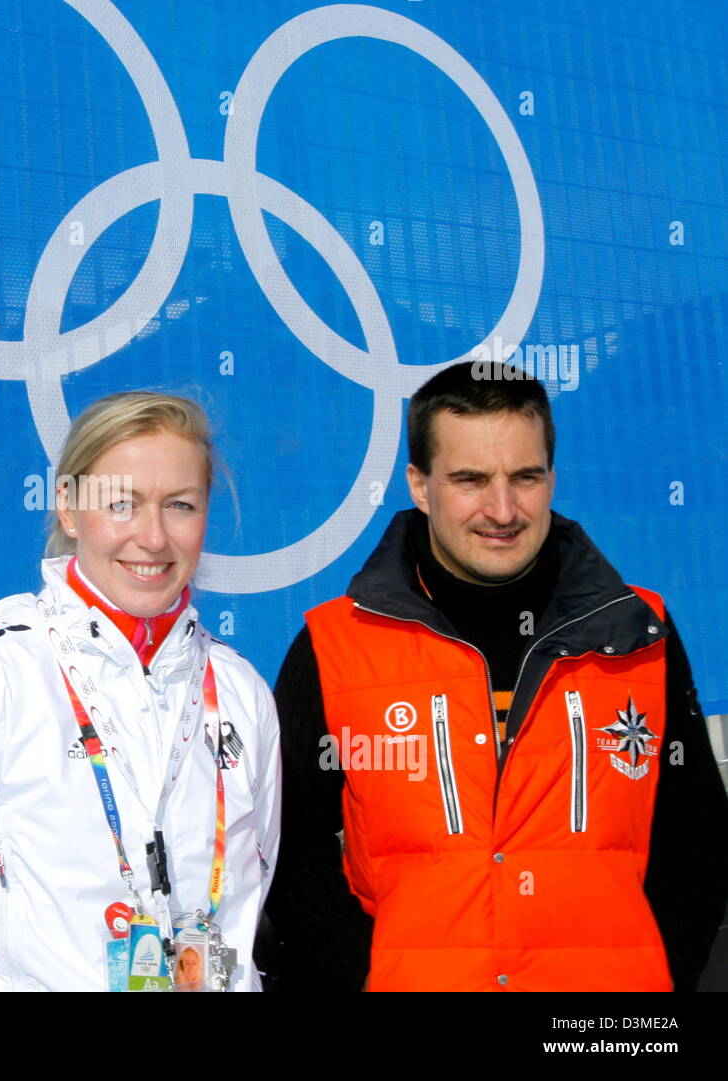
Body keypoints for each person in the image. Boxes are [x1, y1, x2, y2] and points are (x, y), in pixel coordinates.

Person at [262, 361, 728, 992]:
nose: (503, 509)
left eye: (525, 477)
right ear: (420, 486)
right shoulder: (336, 644)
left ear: (552, 478)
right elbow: (289, 862)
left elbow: (697, 841)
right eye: (471, 480)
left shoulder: (638, 632)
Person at [0, 391, 280, 991]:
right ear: (69, 509)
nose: (152, 538)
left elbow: (254, 881)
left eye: (179, 505)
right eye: (122, 503)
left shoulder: (239, 690)